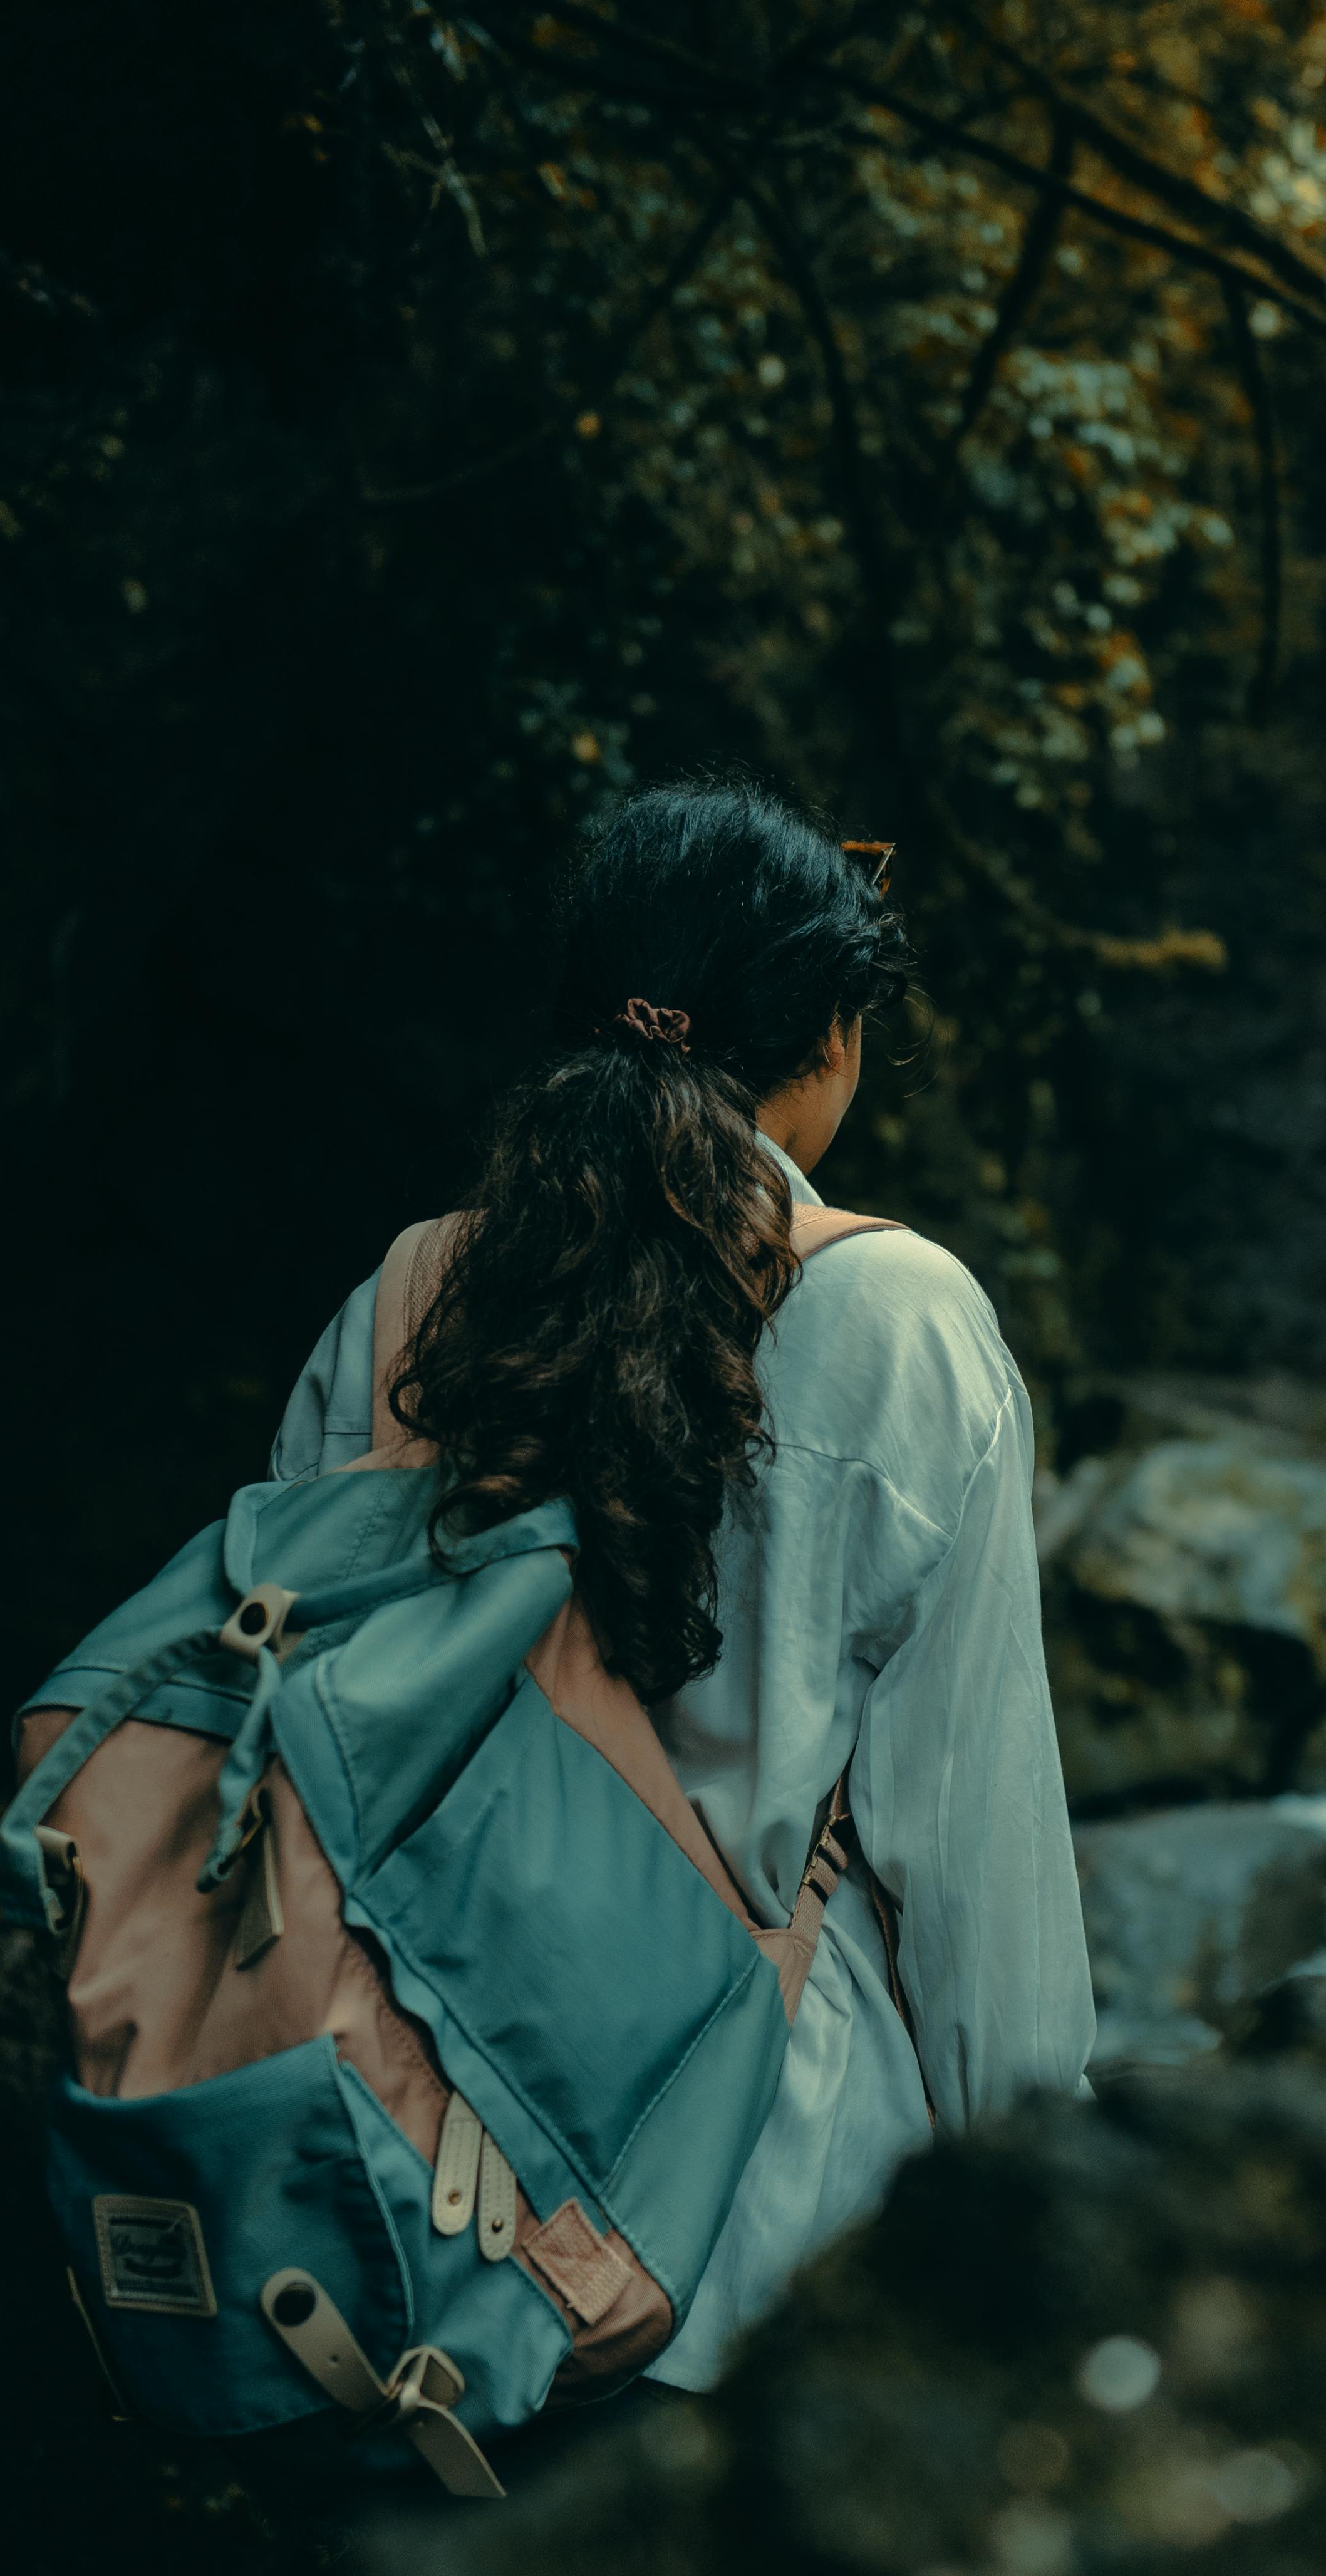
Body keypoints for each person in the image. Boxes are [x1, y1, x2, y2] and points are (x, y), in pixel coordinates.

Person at [263, 776, 1093, 2391]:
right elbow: (977, 1865)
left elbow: (290, 1733)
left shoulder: (404, 1300)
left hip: (379, 2208)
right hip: (749, 2242)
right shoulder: (903, 1320)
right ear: (829, 1040)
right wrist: (1037, 2233)